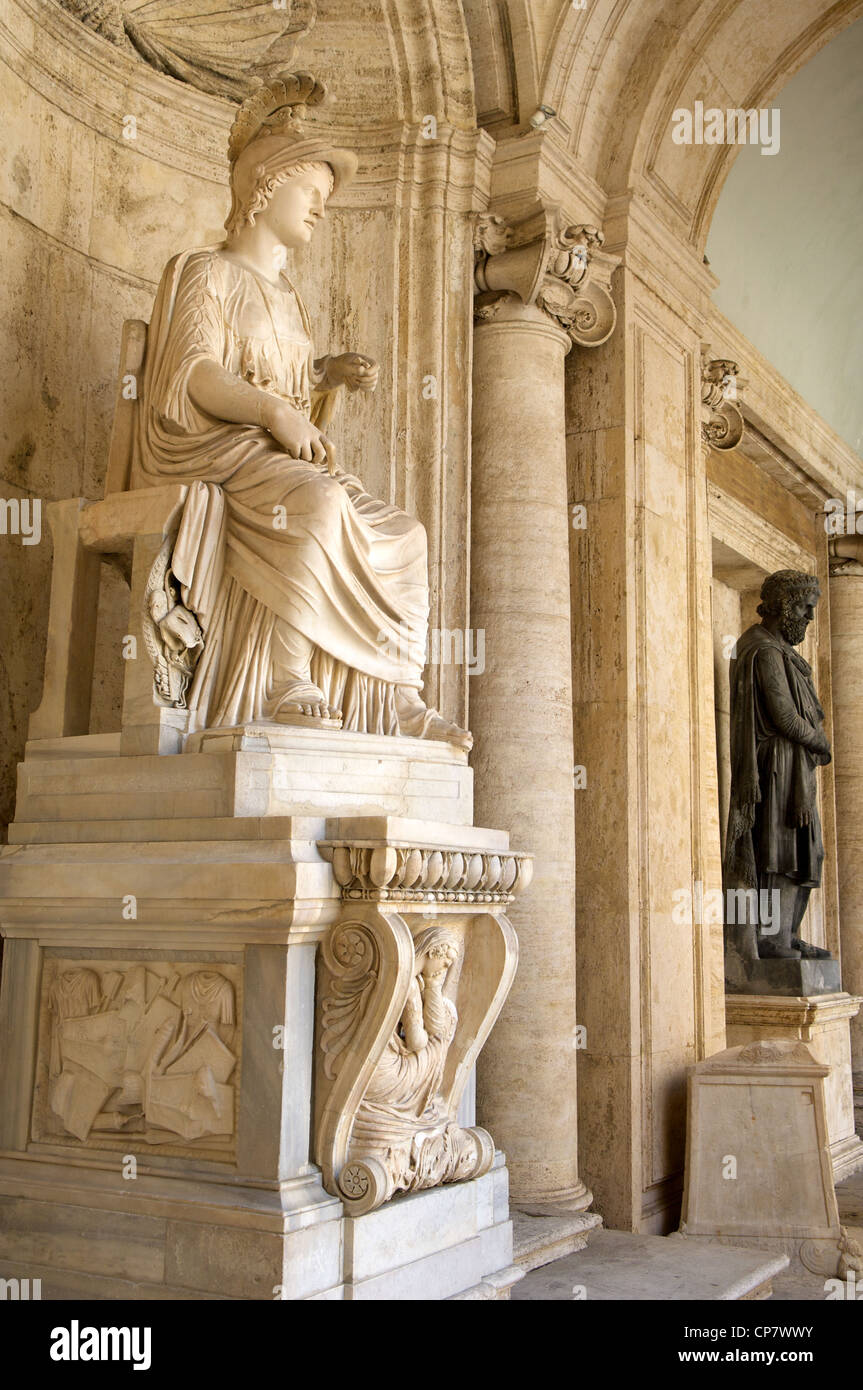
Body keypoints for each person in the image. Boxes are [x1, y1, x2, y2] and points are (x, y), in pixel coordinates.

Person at [135, 72, 470, 748]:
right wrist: (272, 412)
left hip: (270, 455)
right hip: (212, 451)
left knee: (406, 534)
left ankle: (395, 694)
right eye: (310, 192)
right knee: (317, 506)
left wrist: (324, 380)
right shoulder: (204, 271)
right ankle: (284, 679)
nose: (319, 208)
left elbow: (288, 390)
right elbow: (195, 374)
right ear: (263, 188)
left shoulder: (288, 294)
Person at [724, 569, 832, 961]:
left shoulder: (782, 651)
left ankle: (788, 932)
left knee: (808, 853)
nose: (809, 618)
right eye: (805, 609)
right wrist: (821, 742)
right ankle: (772, 939)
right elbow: (784, 716)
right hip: (776, 768)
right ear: (785, 605)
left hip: (793, 769)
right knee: (779, 854)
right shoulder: (764, 649)